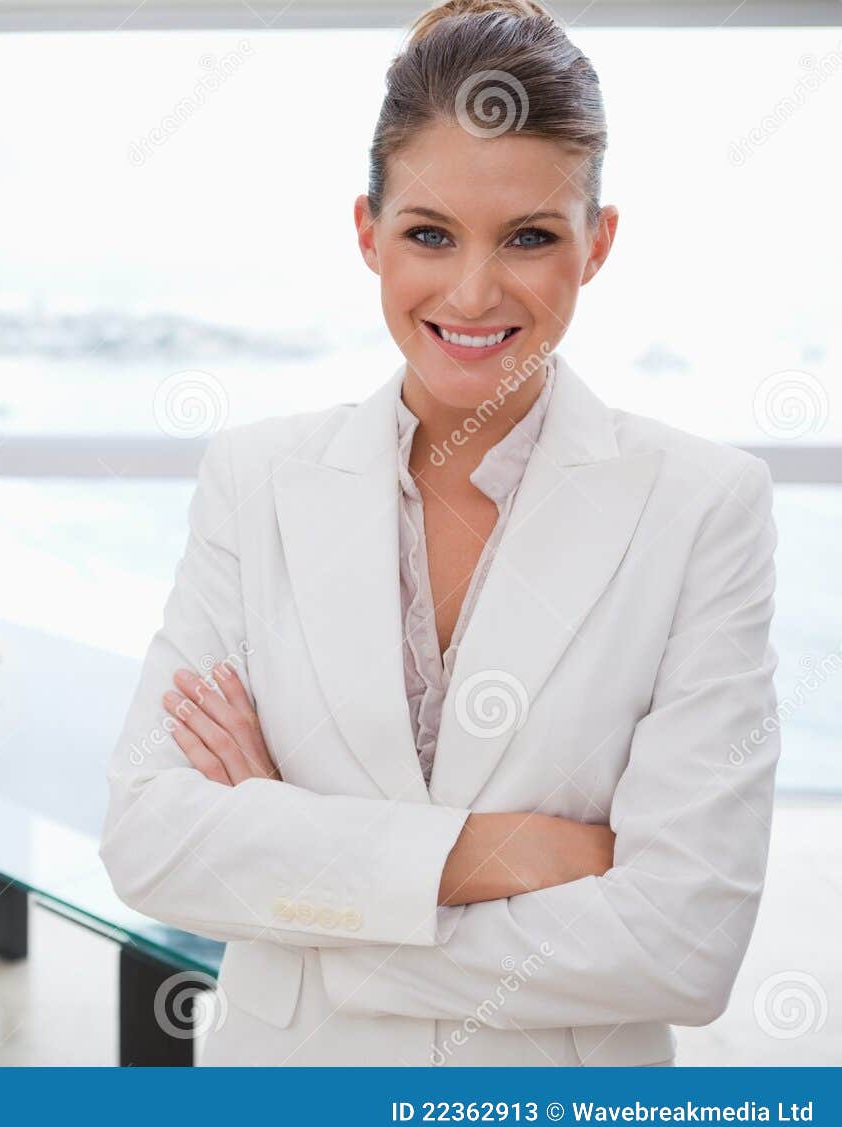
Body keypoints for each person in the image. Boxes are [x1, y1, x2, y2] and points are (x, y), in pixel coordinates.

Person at [99, 0, 778, 1067]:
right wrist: (501, 852)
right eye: (428, 232)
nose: (470, 291)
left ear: (596, 244)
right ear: (366, 231)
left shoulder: (703, 505)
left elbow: (682, 943)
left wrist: (309, 889)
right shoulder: (255, 482)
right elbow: (150, 840)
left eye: (528, 237)